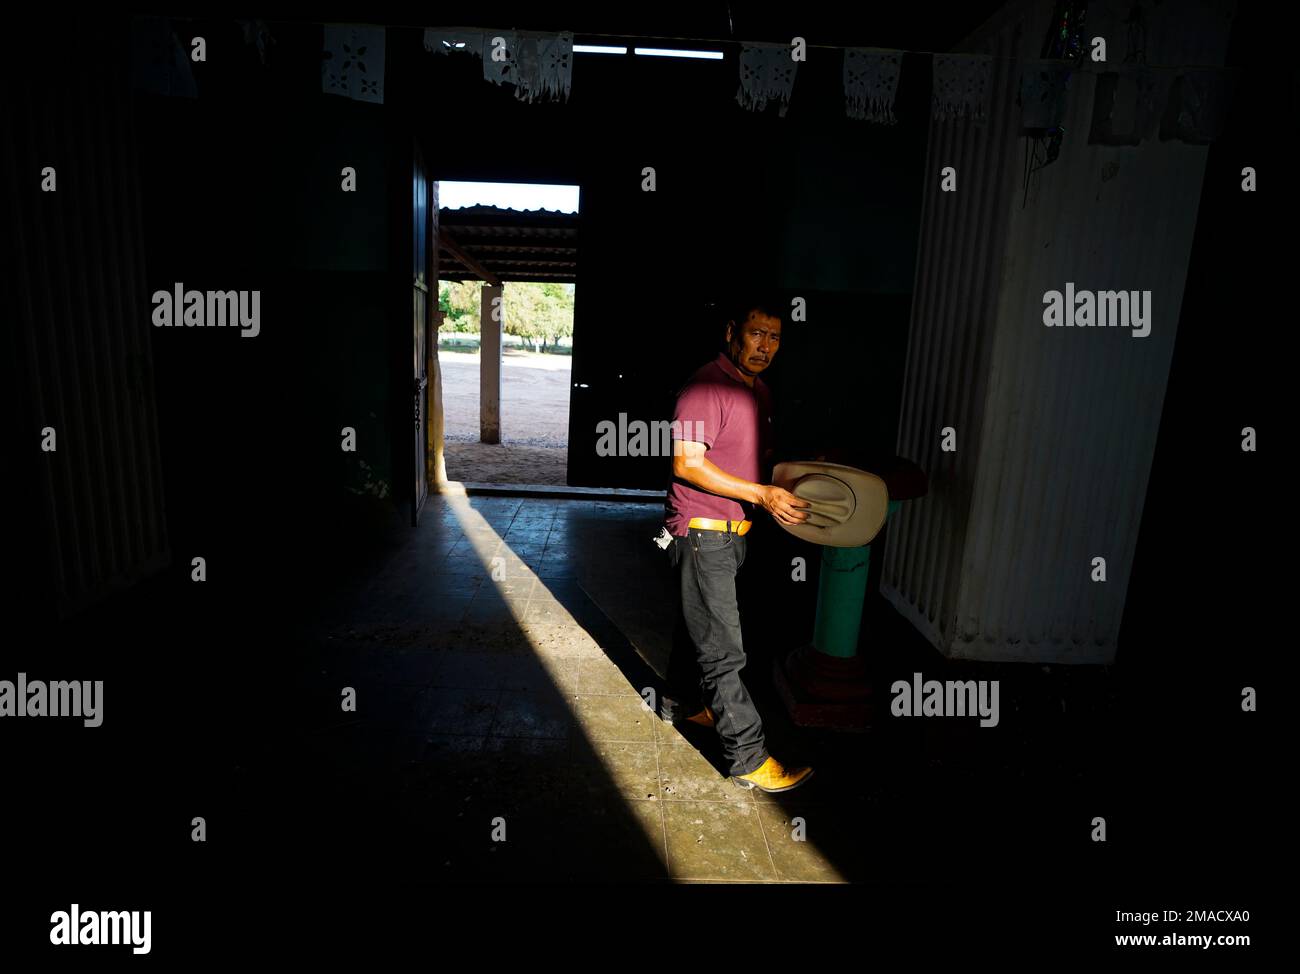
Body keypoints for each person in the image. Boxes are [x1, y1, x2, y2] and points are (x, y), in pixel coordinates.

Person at [657, 297, 815, 793]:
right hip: (703, 534)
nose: (765, 346)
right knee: (724, 650)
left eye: (774, 337)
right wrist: (762, 495)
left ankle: (682, 705)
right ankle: (747, 758)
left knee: (698, 627)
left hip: (733, 534)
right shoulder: (706, 386)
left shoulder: (759, 392)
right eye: (756, 334)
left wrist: (796, 475)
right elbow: (687, 463)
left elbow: (751, 458)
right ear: (732, 332)